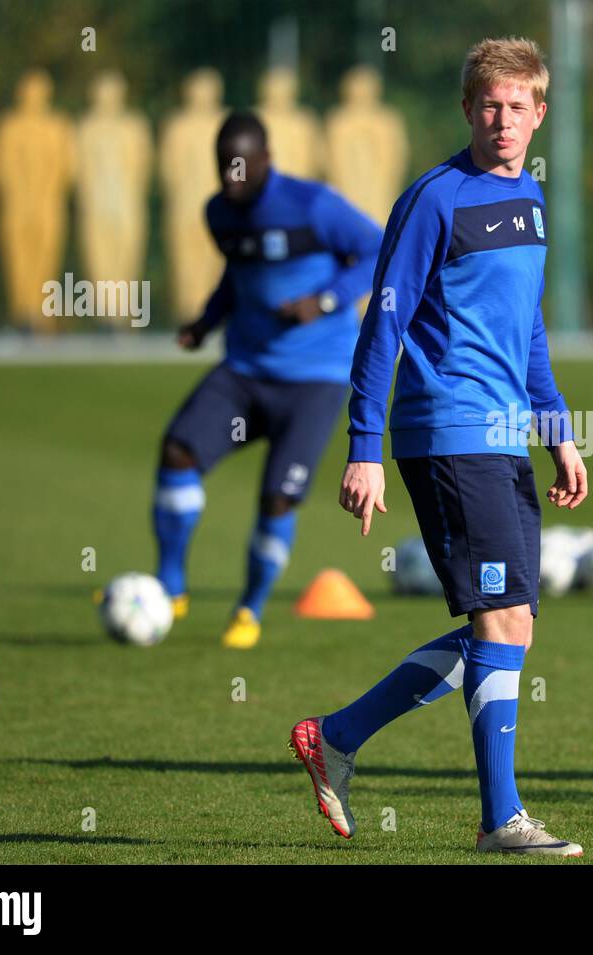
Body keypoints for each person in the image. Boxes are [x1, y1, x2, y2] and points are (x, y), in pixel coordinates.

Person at [289, 37, 589, 855]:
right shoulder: (434, 199)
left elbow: (526, 329)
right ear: (468, 109)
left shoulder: (528, 197)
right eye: (488, 104)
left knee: (513, 626)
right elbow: (382, 322)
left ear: (539, 114)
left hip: (504, 438)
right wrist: (362, 446)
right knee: (499, 621)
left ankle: (337, 735)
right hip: (447, 431)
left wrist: (557, 429)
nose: (503, 119)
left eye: (518, 105)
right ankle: (501, 820)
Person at [153, 112, 382, 648]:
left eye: (241, 166)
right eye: (222, 167)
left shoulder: (312, 205)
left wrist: (324, 300)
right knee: (177, 453)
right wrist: (207, 322)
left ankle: (248, 611)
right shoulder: (218, 213)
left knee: (277, 498)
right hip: (246, 372)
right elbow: (238, 275)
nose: (231, 178)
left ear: (266, 160)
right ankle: (171, 586)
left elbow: (379, 248)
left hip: (315, 380)